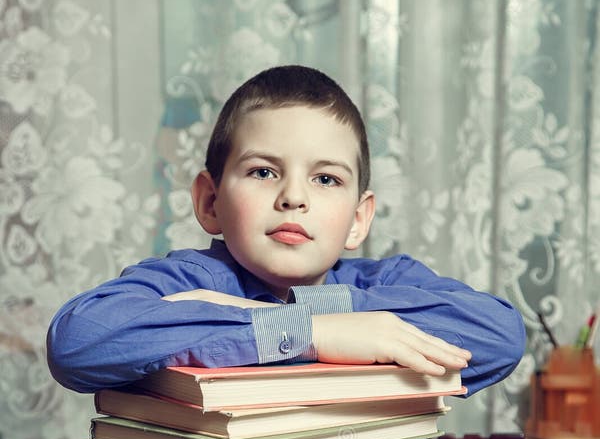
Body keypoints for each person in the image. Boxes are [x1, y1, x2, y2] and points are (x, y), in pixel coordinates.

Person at [46, 65, 525, 395]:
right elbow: (78, 340)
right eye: (263, 171)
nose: (294, 197)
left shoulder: (383, 282)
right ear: (210, 202)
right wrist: (311, 332)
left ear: (358, 219)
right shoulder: (189, 281)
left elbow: (498, 336)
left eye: (326, 179)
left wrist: (319, 310)